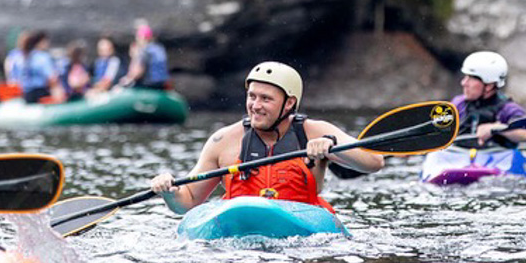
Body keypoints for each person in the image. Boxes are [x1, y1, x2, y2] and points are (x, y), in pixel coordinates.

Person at [150, 61, 383, 212]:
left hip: (301, 235)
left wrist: (332, 144)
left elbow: (373, 162)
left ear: (289, 103)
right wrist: (170, 192)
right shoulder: (223, 140)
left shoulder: (315, 131)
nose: (255, 105)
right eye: (252, 96)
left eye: (266, 99)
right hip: (239, 238)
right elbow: (188, 201)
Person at [450, 51, 526, 148]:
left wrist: (496, 128)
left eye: (471, 79)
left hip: (495, 153)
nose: (464, 83)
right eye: (465, 77)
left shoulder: (509, 109)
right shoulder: (458, 103)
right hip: (458, 153)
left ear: (489, 85)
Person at [116, 19, 170, 90]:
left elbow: (138, 72)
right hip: (162, 83)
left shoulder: (144, 50)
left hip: (149, 84)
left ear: (142, 38)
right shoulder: (159, 48)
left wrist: (127, 80)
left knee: (121, 86)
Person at [18, 29, 63, 102]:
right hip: (41, 94)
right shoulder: (42, 57)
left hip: (26, 95)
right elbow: (51, 78)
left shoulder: (22, 57)